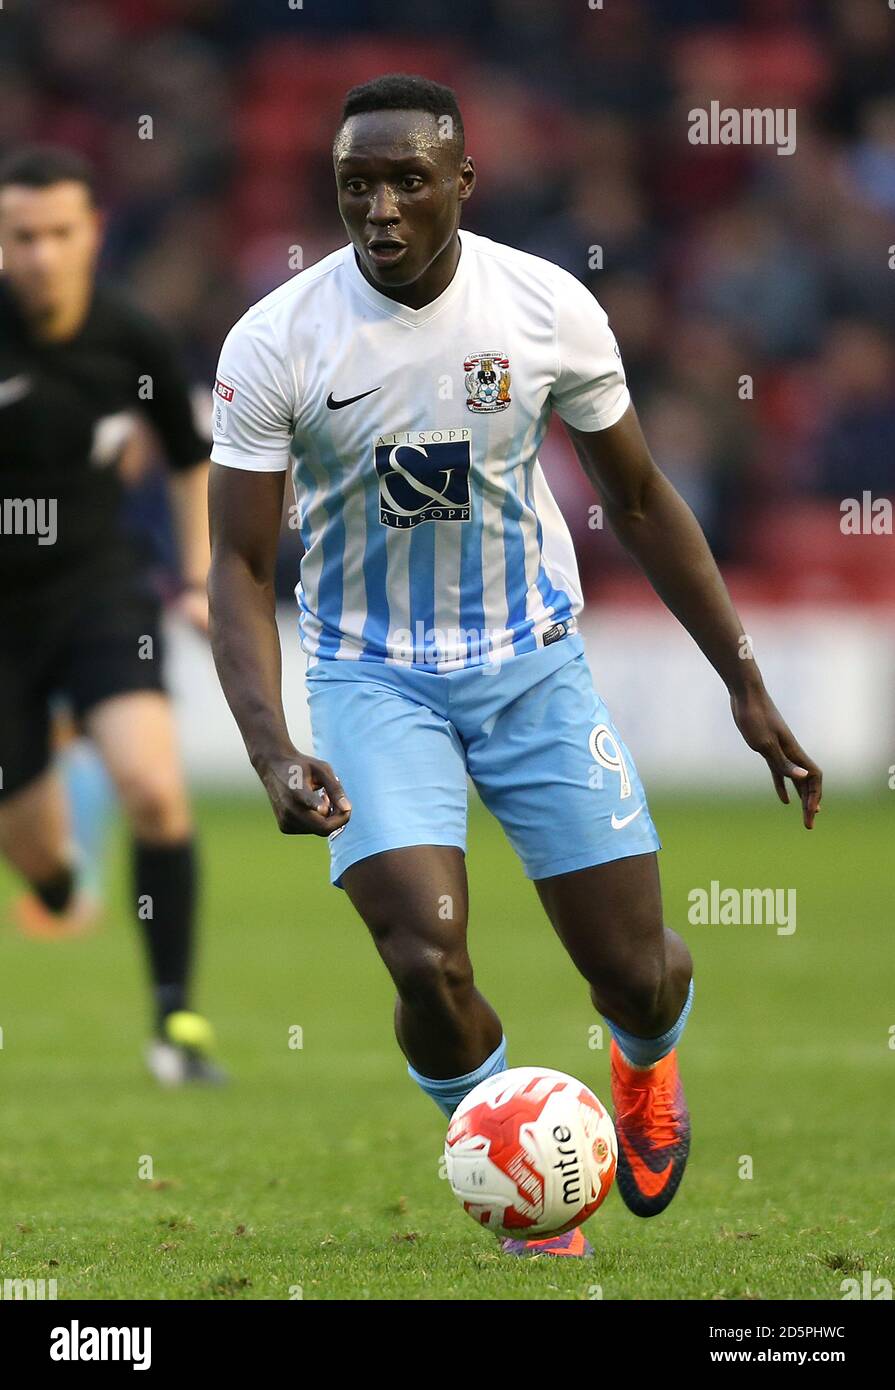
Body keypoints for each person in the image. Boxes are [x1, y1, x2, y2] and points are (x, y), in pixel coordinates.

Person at [206, 75, 822, 1254]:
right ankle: (516, 1167)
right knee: (425, 957)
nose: (379, 209)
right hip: (371, 678)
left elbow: (637, 500)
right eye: (354, 185)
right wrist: (272, 746)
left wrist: (743, 682)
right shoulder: (276, 338)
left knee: (636, 973)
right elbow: (236, 563)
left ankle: (645, 1061)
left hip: (531, 667)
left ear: (463, 182)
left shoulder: (544, 308)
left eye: (407, 181)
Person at [0, 145, 223, 1085]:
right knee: (38, 858)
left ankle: (176, 1024)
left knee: (155, 791)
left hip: (100, 591)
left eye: (59, 233)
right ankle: (59, 880)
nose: (41, 255)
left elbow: (189, 455)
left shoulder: (131, 336)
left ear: (91, 233)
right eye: (22, 237)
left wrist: (199, 578)